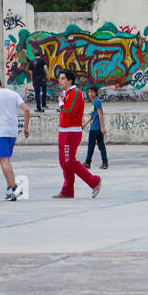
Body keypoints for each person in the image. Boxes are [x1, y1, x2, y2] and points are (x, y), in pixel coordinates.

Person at [53, 69, 100, 199]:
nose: (60, 81)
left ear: (70, 80)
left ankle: (94, 181)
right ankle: (67, 190)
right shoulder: (66, 93)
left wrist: (61, 104)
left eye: (63, 78)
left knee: (70, 161)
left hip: (71, 133)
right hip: (63, 131)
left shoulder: (75, 93)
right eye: (60, 78)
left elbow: (71, 111)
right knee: (63, 162)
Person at [0, 76, 30, 200]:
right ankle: (9, 188)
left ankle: (14, 188)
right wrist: (25, 128)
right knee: (6, 159)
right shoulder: (12, 94)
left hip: (0, 131)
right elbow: (26, 109)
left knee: (3, 160)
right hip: (12, 130)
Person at [84, 85, 108, 170]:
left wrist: (102, 127)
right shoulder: (94, 102)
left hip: (95, 128)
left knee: (91, 146)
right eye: (89, 92)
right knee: (101, 146)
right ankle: (104, 163)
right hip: (95, 127)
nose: (90, 94)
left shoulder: (96, 102)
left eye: (92, 92)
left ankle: (87, 162)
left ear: (96, 92)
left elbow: (100, 113)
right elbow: (92, 116)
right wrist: (84, 124)